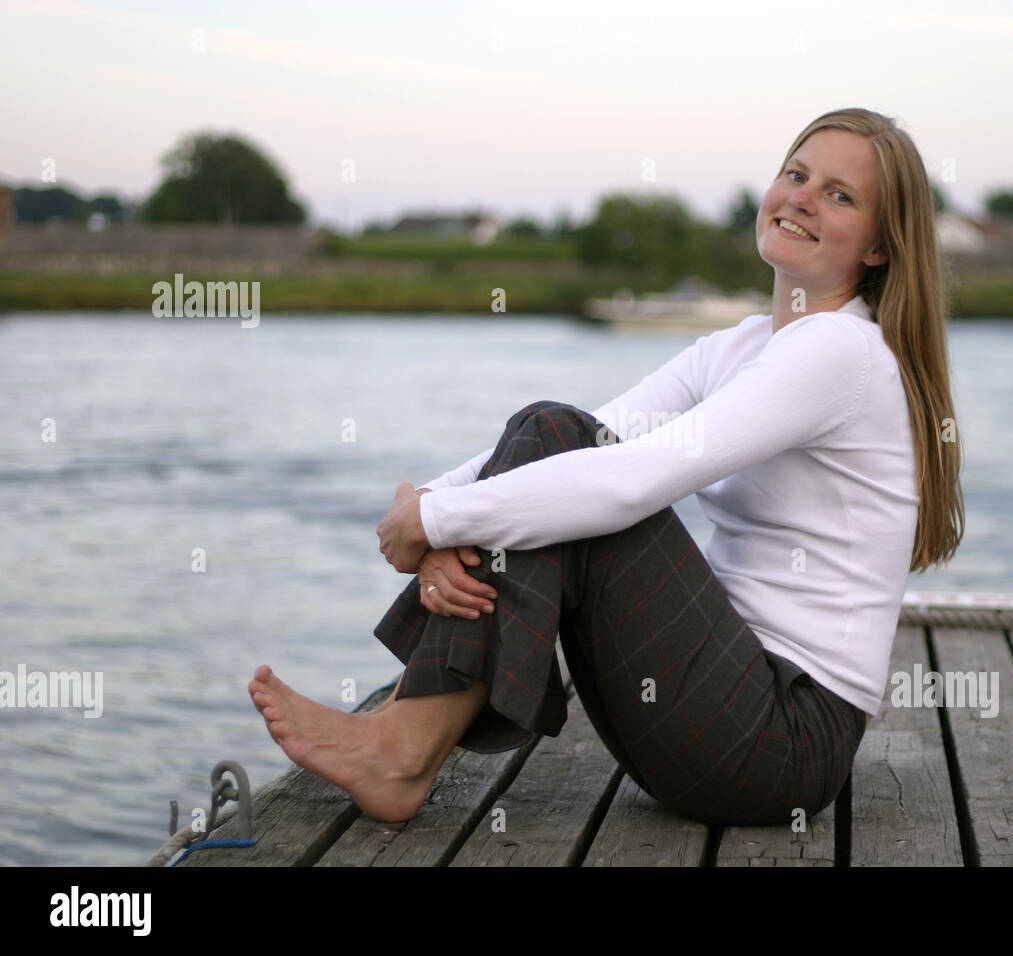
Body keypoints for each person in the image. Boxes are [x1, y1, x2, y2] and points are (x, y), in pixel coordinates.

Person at [249, 107, 964, 827]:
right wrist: (434, 503)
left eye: (840, 195)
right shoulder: (745, 344)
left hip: (782, 740)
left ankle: (403, 749)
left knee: (566, 449)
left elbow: (632, 477)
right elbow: (601, 430)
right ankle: (404, 741)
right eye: (796, 173)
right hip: (714, 705)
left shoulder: (840, 353)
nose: (803, 197)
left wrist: (437, 521)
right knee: (555, 433)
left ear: (879, 247)